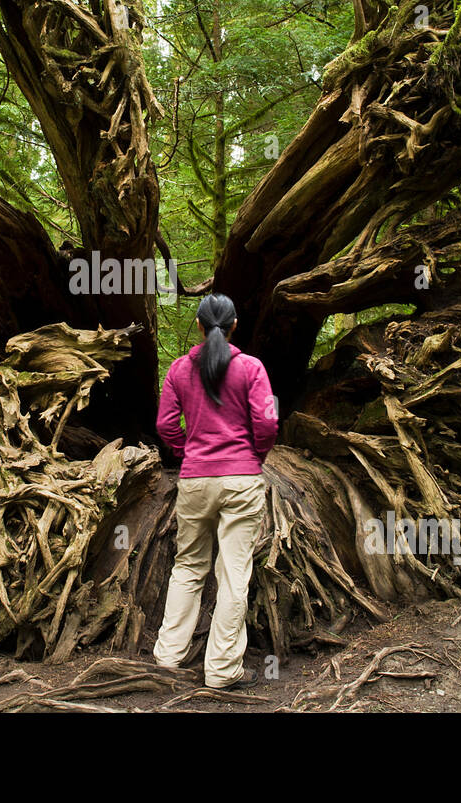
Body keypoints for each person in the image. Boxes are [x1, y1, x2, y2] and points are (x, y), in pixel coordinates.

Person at [153, 293, 278, 689]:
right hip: (241, 480)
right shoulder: (251, 368)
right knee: (234, 573)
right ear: (235, 324)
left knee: (188, 568)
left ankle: (168, 657)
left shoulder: (178, 370)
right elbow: (268, 423)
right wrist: (252, 456)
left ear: (199, 323)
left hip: (194, 480)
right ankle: (223, 671)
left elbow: (165, 424)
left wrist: (186, 451)